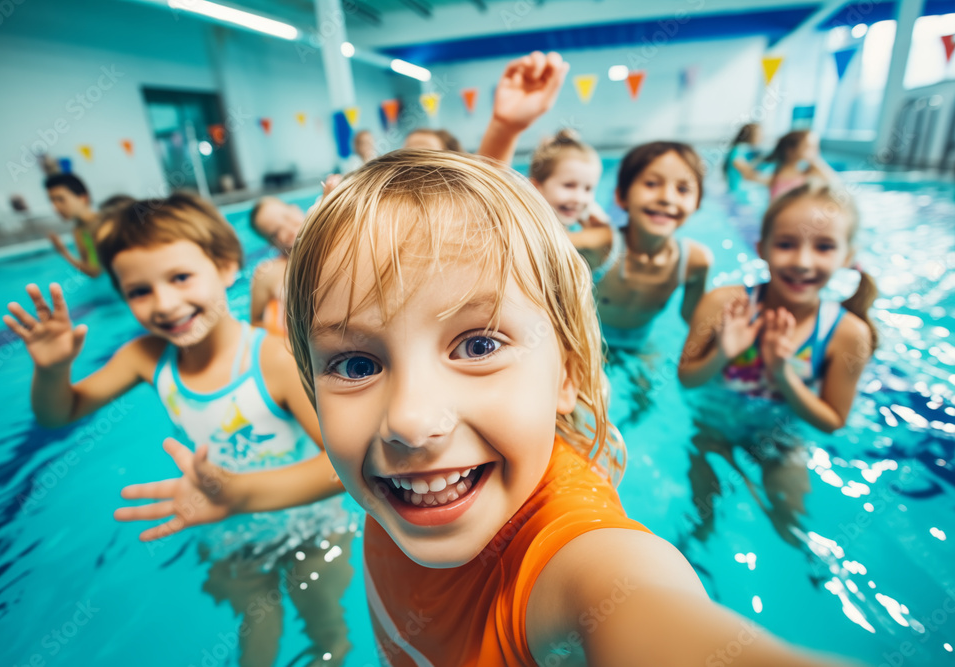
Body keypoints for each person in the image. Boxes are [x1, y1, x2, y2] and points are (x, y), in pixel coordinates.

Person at [118, 152, 859, 667]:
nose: (410, 419)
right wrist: (240, 493)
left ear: (567, 369)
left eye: (477, 345)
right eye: (356, 362)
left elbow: (658, 618)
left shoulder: (583, 565)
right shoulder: (405, 482)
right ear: (312, 386)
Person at [4, 192, 355, 667]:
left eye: (181, 277)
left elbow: (344, 467)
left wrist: (240, 493)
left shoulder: (273, 359)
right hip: (225, 521)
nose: (165, 304)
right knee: (256, 642)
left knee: (325, 633)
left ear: (228, 266)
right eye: (139, 291)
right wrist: (51, 370)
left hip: (311, 527)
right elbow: (58, 413)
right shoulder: (145, 358)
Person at [678, 182, 876, 431]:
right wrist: (721, 353)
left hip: (780, 437)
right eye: (785, 244)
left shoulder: (849, 334)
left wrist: (783, 374)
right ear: (761, 249)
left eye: (824, 247)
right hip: (713, 423)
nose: (802, 262)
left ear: (847, 257)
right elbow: (687, 378)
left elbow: (833, 421)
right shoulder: (723, 304)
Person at [567, 142, 713, 352]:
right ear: (621, 196)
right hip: (585, 340)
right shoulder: (599, 246)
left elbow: (693, 319)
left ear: (698, 202)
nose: (666, 198)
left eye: (683, 189)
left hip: (639, 343)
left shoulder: (694, 262)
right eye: (652, 184)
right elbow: (527, 242)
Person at [528, 128, 609, 232]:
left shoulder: (580, 224)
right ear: (535, 187)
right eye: (569, 185)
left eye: (588, 189)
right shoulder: (525, 229)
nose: (578, 199)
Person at [246, 197, 306, 334]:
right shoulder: (269, 273)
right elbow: (255, 325)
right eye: (276, 232)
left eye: (286, 217)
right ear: (272, 244)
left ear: (295, 209)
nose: (288, 227)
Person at [45, 173, 102, 277]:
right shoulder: (78, 231)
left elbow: (95, 272)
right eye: (52, 201)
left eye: (60, 199)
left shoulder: (104, 223)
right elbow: (92, 270)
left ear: (83, 198)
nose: (55, 207)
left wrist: (63, 252)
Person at [764, 130, 836, 201]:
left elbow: (834, 184)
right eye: (809, 146)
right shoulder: (772, 173)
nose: (815, 151)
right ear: (790, 149)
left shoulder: (809, 173)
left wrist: (815, 160)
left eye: (816, 146)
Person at [724, 123, 767, 192]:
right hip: (737, 193)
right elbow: (748, 175)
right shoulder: (739, 149)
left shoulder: (749, 150)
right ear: (749, 136)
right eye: (759, 134)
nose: (762, 137)